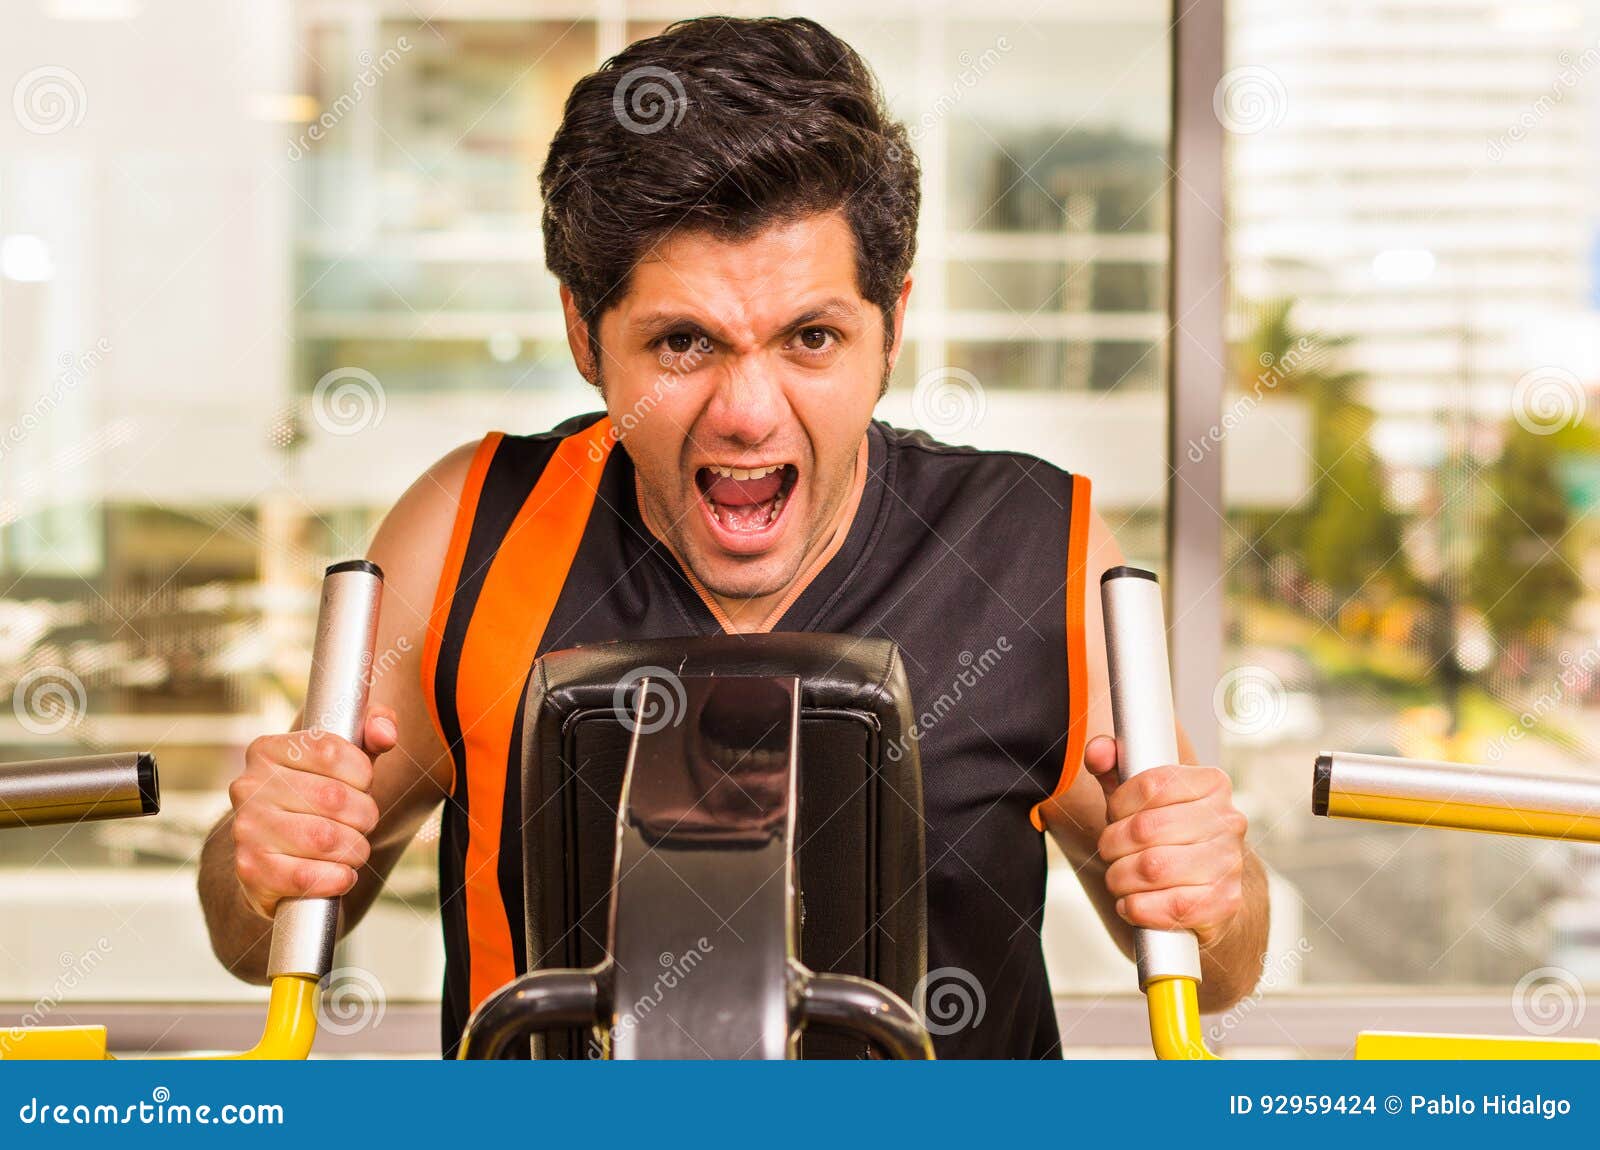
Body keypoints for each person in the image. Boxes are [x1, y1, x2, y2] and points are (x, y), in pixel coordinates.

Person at [198, 15, 1268, 1059]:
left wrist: (1212, 891)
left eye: (811, 337)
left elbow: (1211, 967)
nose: (747, 412)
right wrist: (259, 866)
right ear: (584, 332)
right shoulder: (467, 529)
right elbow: (265, 939)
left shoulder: (1033, 550)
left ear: (889, 324)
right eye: (682, 342)